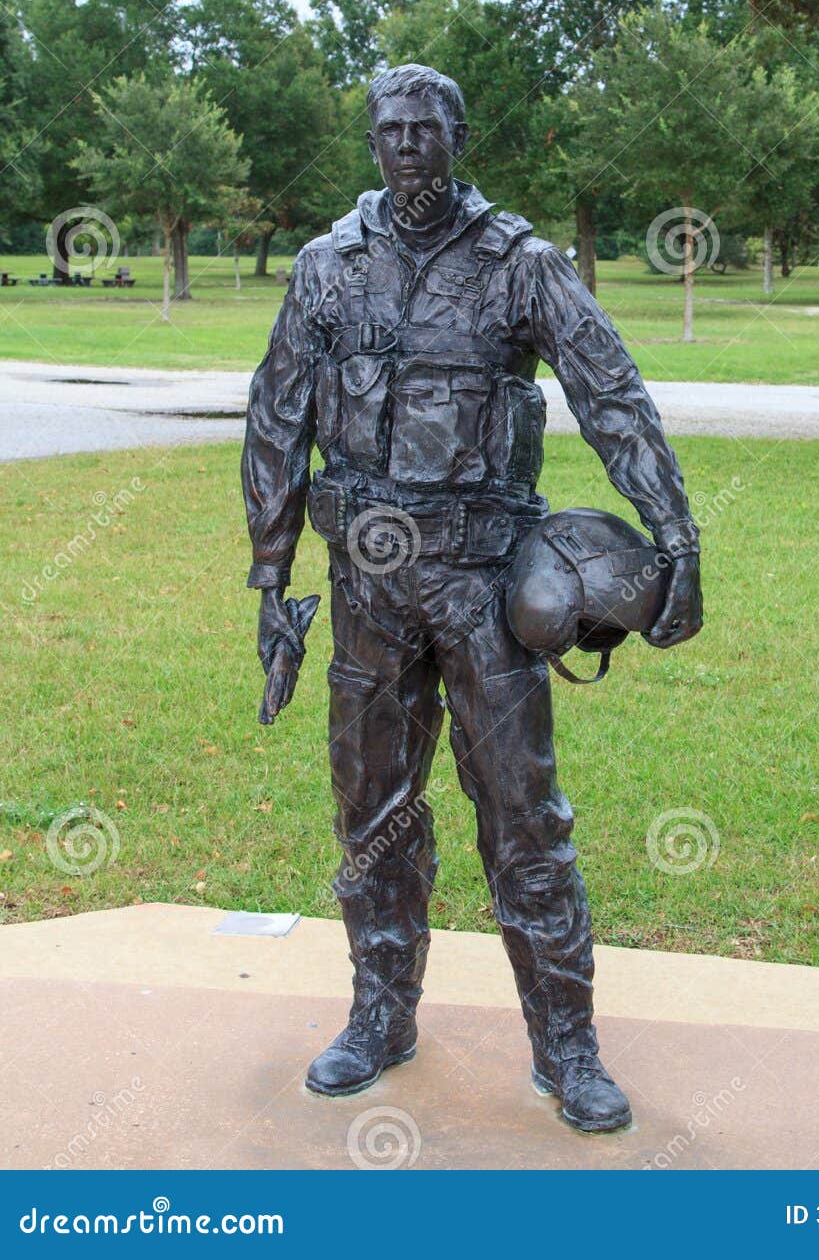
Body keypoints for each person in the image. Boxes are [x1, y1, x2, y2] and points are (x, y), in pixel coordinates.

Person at [242, 63, 702, 1132]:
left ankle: (566, 1046)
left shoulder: (519, 266)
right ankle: (379, 1012)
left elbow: (612, 397)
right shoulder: (323, 270)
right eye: (390, 129)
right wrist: (271, 577)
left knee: (524, 818)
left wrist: (674, 538)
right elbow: (276, 421)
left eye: (426, 127)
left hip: (484, 587)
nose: (407, 144)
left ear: (457, 136)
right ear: (372, 141)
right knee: (373, 815)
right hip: (365, 588)